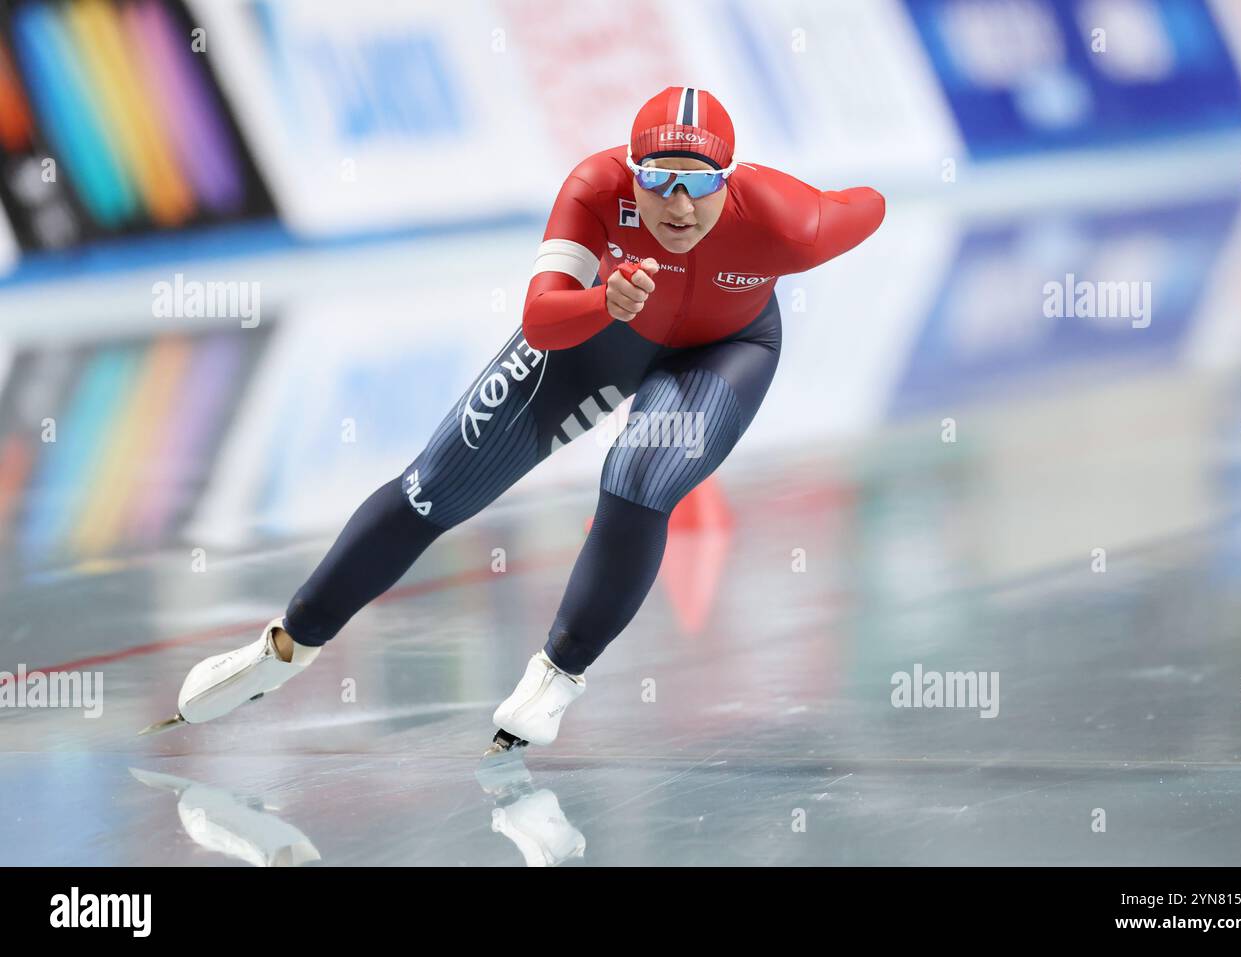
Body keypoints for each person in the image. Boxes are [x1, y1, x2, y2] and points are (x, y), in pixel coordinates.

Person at [161, 87, 886, 751]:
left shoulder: (788, 221)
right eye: (658, 177)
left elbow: (869, 204)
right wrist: (606, 302)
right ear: (628, 171)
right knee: (432, 487)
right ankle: (286, 645)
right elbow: (541, 318)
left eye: (698, 183)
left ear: (727, 183)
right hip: (601, 328)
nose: (678, 202)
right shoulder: (594, 189)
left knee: (638, 474)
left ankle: (557, 674)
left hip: (724, 353)